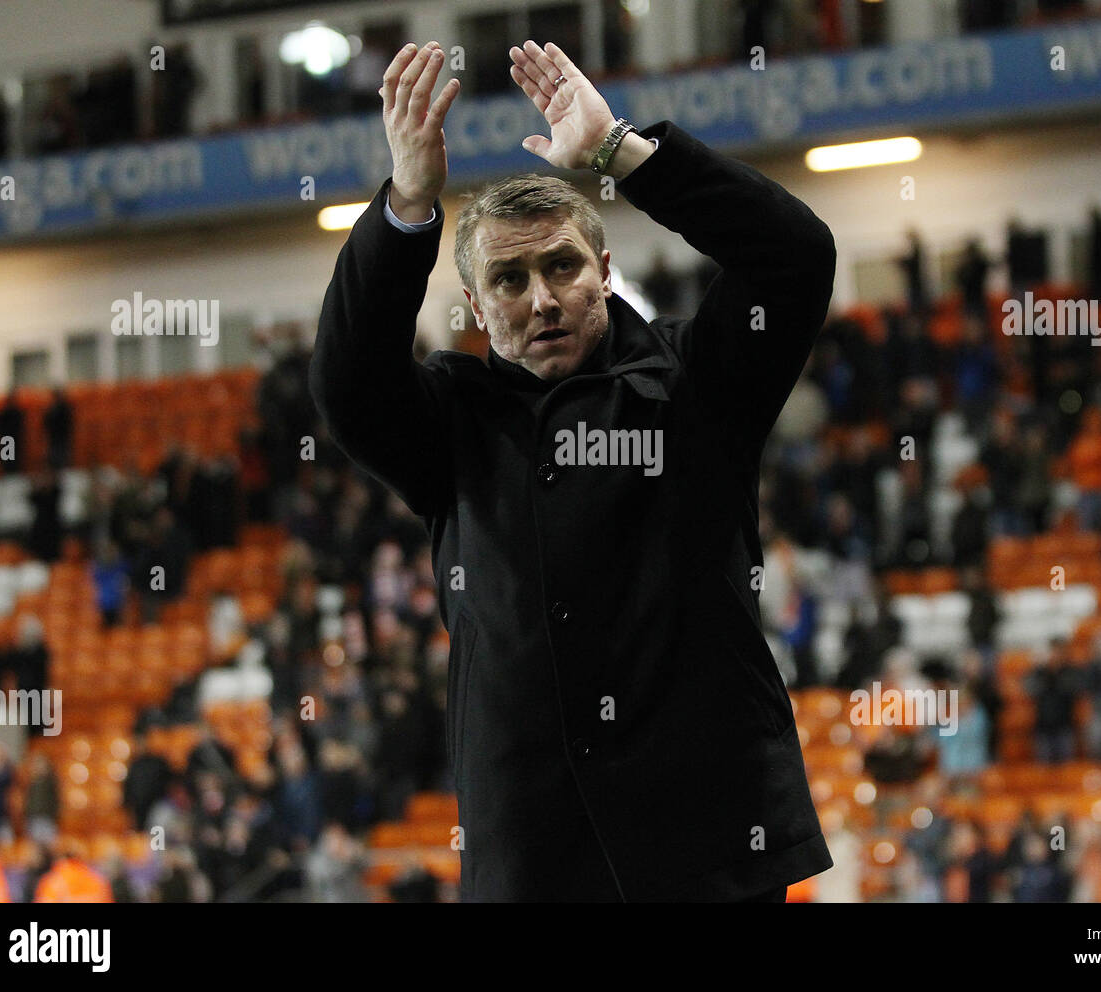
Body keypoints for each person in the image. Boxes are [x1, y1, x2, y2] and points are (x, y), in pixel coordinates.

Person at [312, 39, 836, 902]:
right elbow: (347, 384)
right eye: (509, 280)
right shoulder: (451, 424)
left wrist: (616, 151)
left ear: (603, 271)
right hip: (534, 859)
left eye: (561, 266)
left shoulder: (698, 386)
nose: (542, 298)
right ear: (476, 308)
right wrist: (408, 203)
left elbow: (793, 256)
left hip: (707, 850)